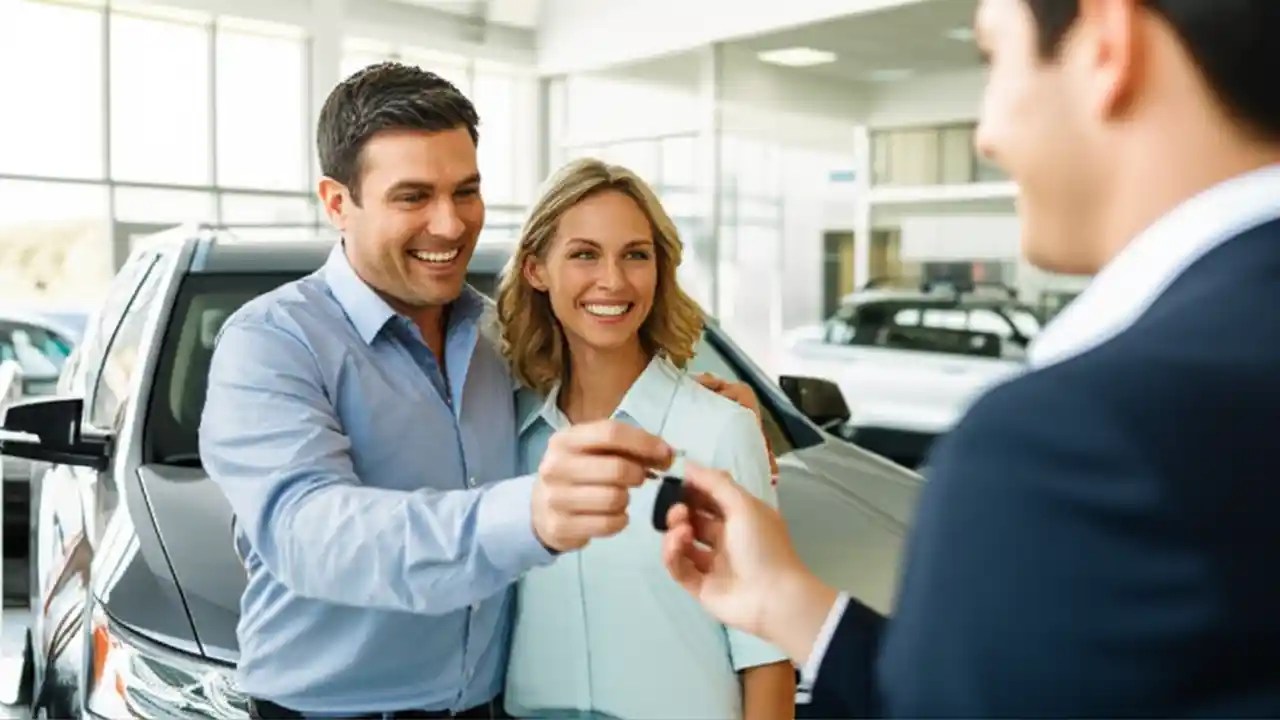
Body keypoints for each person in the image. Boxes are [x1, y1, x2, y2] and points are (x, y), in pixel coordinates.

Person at [659, 0, 1280, 717]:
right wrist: (788, 602)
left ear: (1108, 45)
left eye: (994, 59)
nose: (987, 134)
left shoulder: (1075, 442)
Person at [199, 63, 757, 719]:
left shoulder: (502, 338)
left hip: (492, 708)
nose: (451, 225)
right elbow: (310, 533)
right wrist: (528, 516)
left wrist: (714, 416)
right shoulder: (273, 341)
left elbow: (598, 378)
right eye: (413, 197)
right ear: (336, 202)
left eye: (465, 191)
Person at [494, 159, 796, 720]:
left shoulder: (718, 431)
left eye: (636, 254)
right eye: (585, 254)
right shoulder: (508, 436)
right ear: (537, 269)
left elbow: (767, 652)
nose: (613, 280)